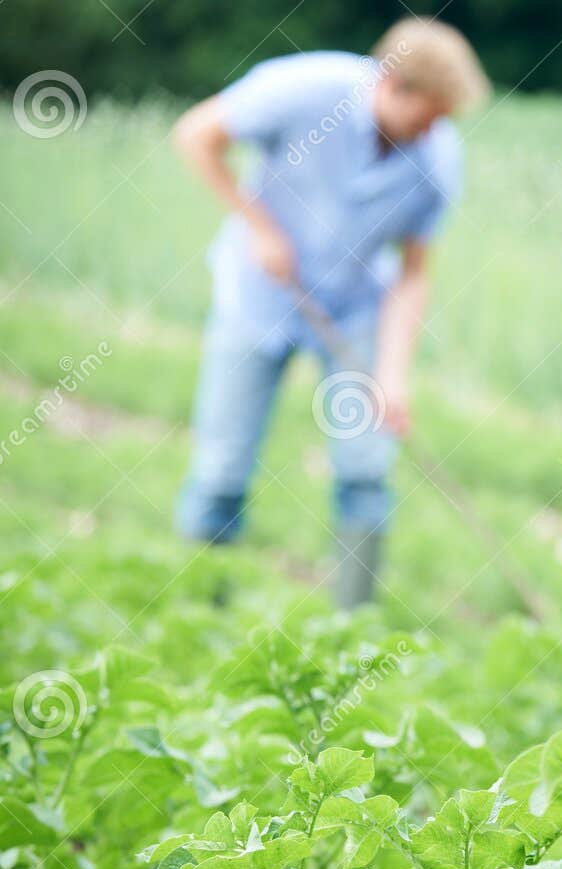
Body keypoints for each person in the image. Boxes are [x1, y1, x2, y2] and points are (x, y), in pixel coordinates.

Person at [171, 18, 488, 608]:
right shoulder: (304, 88)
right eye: (430, 113)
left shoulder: (438, 159)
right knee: (222, 464)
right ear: (394, 85)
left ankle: (351, 626)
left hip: (354, 308)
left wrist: (392, 376)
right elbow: (195, 135)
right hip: (258, 295)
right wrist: (258, 226)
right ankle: (197, 612)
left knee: (366, 467)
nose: (436, 128)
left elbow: (413, 273)